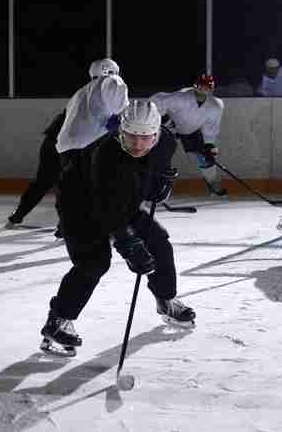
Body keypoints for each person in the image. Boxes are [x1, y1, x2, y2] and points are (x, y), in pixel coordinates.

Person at [40, 100, 195, 356]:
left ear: (156, 134)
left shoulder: (166, 143)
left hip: (124, 200)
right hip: (79, 205)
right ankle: (58, 320)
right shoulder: (106, 156)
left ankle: (166, 300)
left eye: (145, 138)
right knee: (94, 262)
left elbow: (153, 174)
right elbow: (107, 208)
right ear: (120, 131)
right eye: (132, 137)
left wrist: (160, 185)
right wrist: (128, 244)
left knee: (158, 243)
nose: (138, 145)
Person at [149, 72, 227, 196]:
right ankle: (153, 184)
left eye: (207, 86)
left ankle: (212, 183)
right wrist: (163, 118)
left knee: (205, 159)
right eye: (200, 85)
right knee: (160, 154)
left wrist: (209, 144)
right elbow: (157, 100)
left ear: (211, 88)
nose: (202, 88)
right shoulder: (181, 97)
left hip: (190, 131)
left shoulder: (216, 105)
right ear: (195, 85)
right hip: (168, 129)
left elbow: (210, 126)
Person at [56, 58, 129, 167]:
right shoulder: (112, 80)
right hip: (93, 146)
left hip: (65, 149)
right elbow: (123, 112)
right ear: (111, 71)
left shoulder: (78, 93)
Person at [5, 109, 66, 233]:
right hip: (62, 142)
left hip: (55, 141)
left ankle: (17, 216)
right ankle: (65, 224)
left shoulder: (84, 98)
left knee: (44, 183)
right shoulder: (98, 103)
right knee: (67, 183)